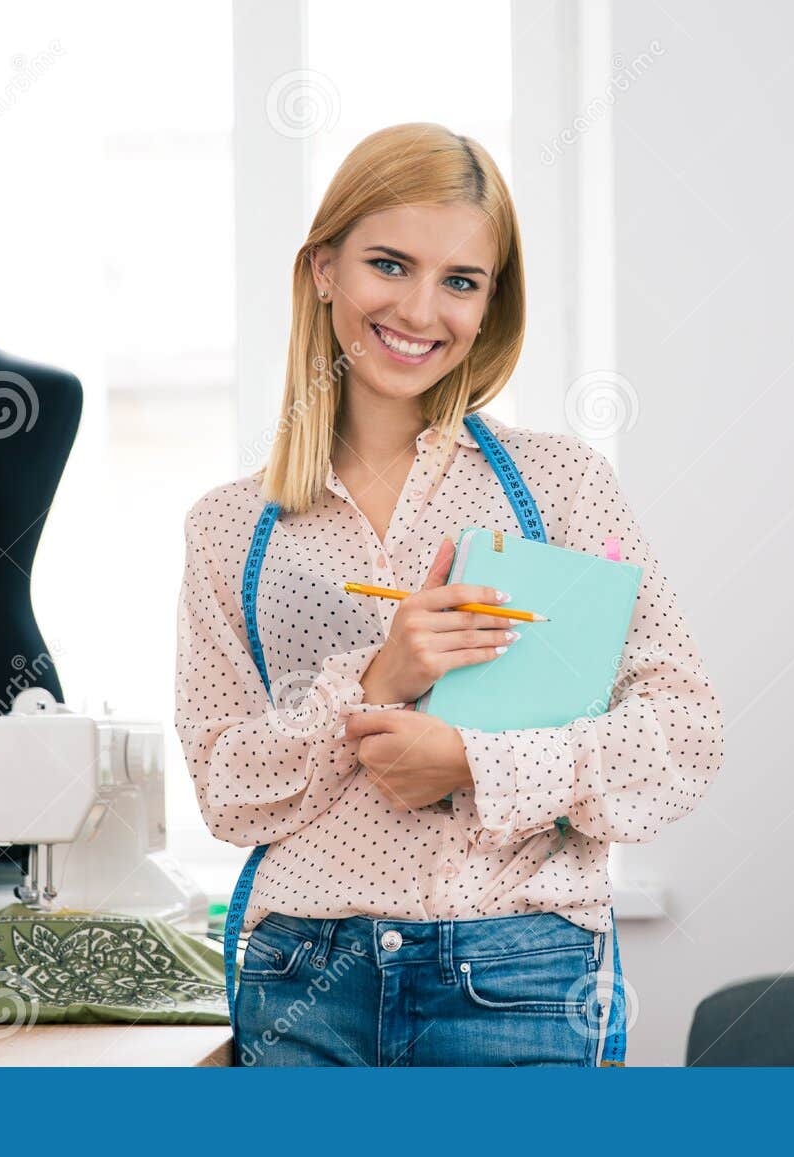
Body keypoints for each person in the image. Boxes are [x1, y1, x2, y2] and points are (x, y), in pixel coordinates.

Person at [175, 122, 723, 1066]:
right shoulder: (229, 529)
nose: (421, 310)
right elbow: (227, 790)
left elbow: (683, 734)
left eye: (461, 281)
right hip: (301, 972)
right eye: (389, 264)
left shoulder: (562, 489)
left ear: (488, 303)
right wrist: (376, 681)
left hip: (518, 972)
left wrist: (472, 760)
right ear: (323, 269)